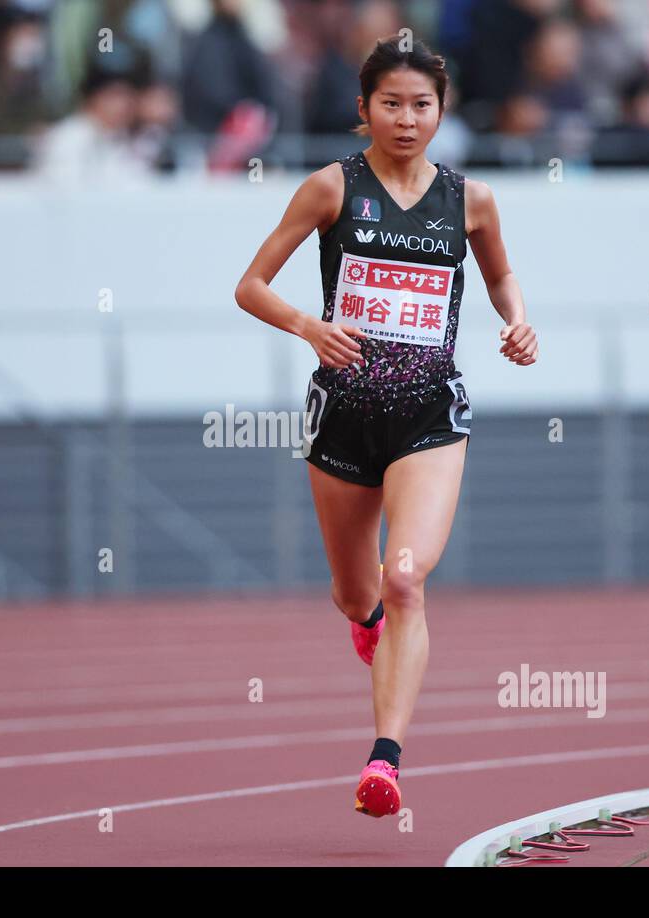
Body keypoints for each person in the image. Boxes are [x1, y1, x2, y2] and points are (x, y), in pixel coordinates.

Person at [233, 35, 537, 818]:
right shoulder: (332, 188)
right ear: (363, 108)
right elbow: (251, 285)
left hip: (429, 413)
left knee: (406, 577)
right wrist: (309, 325)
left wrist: (518, 321)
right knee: (354, 591)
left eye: (422, 105)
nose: (407, 120)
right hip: (345, 414)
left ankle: (385, 760)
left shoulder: (470, 199)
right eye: (391, 104)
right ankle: (366, 620)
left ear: (443, 110)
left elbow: (499, 272)